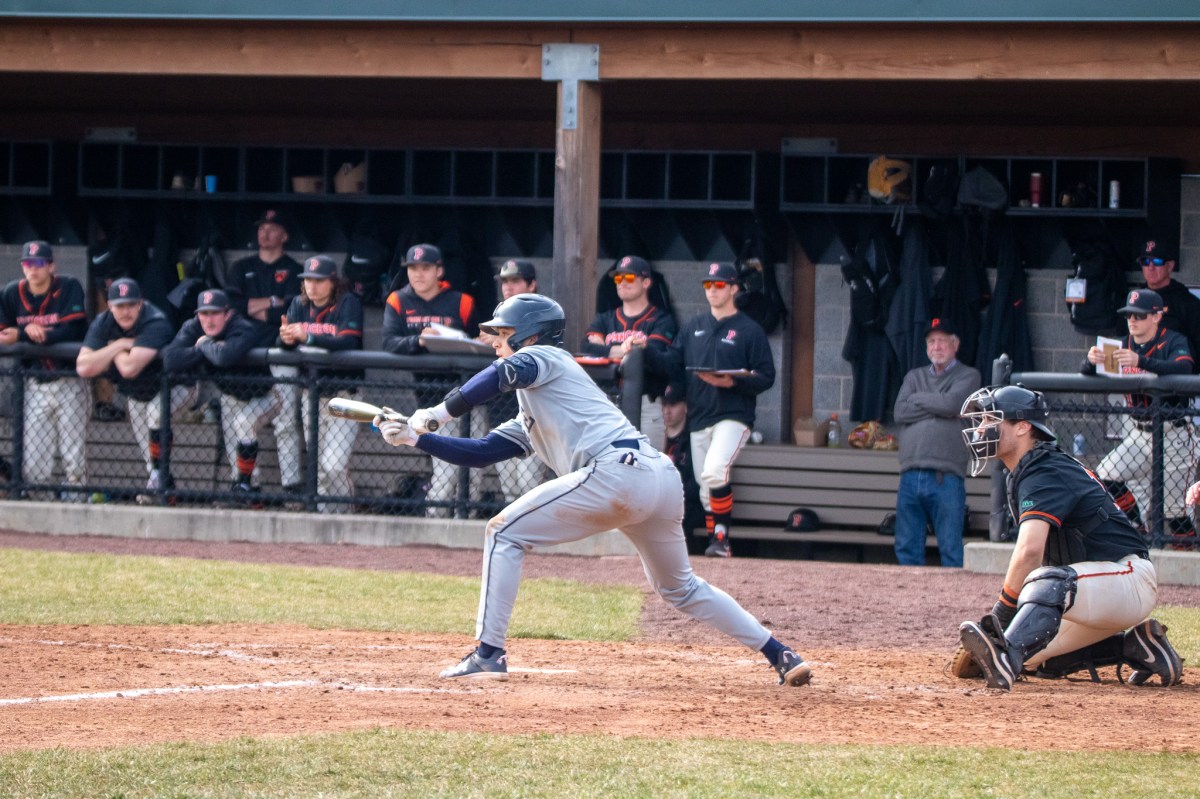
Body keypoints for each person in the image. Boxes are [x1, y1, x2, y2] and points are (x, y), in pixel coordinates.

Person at [374, 292, 811, 687]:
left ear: (527, 333)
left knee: (504, 532)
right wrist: (416, 439)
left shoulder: (546, 357)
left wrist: (435, 414)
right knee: (682, 588)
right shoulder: (538, 404)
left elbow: (503, 372)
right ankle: (780, 653)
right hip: (656, 479)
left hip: (617, 474)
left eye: (502, 332)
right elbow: (483, 451)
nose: (494, 340)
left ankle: (488, 655)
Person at [956, 384, 1183, 691]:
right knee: (1035, 657)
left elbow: (1029, 552)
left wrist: (1001, 617)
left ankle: (1004, 658)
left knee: (1044, 584)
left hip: (1127, 577)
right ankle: (1137, 647)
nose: (982, 429)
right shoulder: (1028, 470)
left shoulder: (1044, 469)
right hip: (1089, 590)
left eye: (991, 420)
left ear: (1023, 426)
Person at [672, 262, 775, 558]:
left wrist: (732, 381)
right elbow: (674, 363)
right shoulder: (693, 326)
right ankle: (716, 544)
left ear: (733, 288)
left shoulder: (749, 329)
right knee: (706, 483)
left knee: (716, 471)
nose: (712, 291)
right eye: (708, 285)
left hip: (734, 415)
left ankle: (721, 538)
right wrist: (642, 350)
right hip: (699, 416)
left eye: (719, 285)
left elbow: (766, 376)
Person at [380, 243, 481, 518]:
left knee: (469, 463)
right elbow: (388, 342)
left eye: (425, 268)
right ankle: (438, 517)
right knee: (445, 462)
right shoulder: (397, 300)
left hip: (464, 392)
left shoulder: (462, 301)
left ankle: (463, 517)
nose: (418, 274)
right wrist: (420, 340)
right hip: (426, 395)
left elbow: (480, 344)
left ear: (439, 270)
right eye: (413, 268)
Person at [1081, 288, 1194, 535]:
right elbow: (1086, 371)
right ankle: (1136, 527)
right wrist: (1090, 360)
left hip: (1174, 433)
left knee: (1174, 514)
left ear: (1156, 316)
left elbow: (1185, 369)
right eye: (1129, 315)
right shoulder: (1121, 344)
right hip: (1139, 433)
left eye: (1139, 315)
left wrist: (1140, 362)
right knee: (1104, 477)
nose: (1132, 320)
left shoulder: (1173, 340)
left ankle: (1186, 556)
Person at [76, 277, 187, 503]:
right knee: (149, 451)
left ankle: (159, 481)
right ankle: (164, 488)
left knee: (157, 416)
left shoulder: (155, 321)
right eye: (120, 306)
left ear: (140, 304)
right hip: (137, 393)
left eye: (130, 305)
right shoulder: (103, 322)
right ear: (110, 306)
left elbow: (129, 368)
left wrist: (107, 350)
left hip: (177, 386)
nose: (125, 311)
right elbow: (83, 366)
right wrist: (120, 345)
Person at [162, 289, 279, 501]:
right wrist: (205, 349)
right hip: (230, 397)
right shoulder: (193, 326)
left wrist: (204, 344)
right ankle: (249, 492)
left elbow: (224, 357)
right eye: (204, 313)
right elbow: (170, 359)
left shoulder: (242, 326)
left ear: (227, 313)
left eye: (215, 313)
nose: (209, 319)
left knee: (244, 424)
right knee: (236, 453)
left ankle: (245, 486)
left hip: (265, 395)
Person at [223, 209, 305, 494]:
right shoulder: (241, 267)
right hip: (244, 356)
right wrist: (272, 302)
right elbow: (232, 309)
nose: (264, 233)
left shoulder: (295, 270)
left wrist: (256, 307)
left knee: (285, 422)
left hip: (279, 353)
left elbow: (291, 312)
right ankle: (245, 483)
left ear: (284, 235)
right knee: (236, 421)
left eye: (272, 228)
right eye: (262, 228)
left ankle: (292, 486)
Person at [0, 241, 90, 499]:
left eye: (39, 263)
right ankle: (44, 513)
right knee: (34, 465)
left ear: (51, 266)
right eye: (28, 263)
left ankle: (77, 507)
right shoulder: (10, 293)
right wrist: (21, 333)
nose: (33, 269)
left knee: (74, 456)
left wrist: (28, 335)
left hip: (70, 381)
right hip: (35, 383)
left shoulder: (68, 286)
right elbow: (4, 332)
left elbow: (72, 330)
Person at [891, 318, 981, 567]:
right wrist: (939, 405)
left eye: (942, 341)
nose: (936, 346)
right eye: (931, 341)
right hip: (910, 474)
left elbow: (953, 404)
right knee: (907, 547)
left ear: (955, 344)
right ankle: (906, 598)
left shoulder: (969, 375)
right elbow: (899, 412)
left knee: (951, 548)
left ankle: (953, 603)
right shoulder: (914, 376)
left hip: (947, 476)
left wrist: (919, 401)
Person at [278, 255, 364, 512]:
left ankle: (344, 509)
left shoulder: (348, 302)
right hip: (311, 395)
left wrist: (309, 338)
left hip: (344, 394)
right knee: (318, 464)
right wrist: (286, 339)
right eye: (307, 281)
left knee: (334, 464)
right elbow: (285, 344)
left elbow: (347, 341)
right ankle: (328, 516)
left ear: (333, 282)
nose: (312, 286)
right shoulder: (297, 304)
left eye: (319, 281)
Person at [581, 255, 677, 451]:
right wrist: (624, 349)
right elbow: (587, 347)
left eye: (629, 278)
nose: (622, 283)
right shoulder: (605, 318)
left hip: (646, 404)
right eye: (618, 278)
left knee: (649, 469)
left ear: (646, 282)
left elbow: (651, 356)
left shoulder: (661, 320)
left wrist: (609, 351)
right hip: (607, 403)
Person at [488, 259, 545, 504]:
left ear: (531, 284)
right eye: (504, 282)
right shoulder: (497, 315)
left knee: (528, 483)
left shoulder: (544, 314)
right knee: (509, 484)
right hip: (501, 407)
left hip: (534, 413)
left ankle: (538, 536)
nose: (508, 287)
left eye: (515, 281)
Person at [1135, 236, 1200, 371]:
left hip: (1175, 380)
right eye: (1145, 261)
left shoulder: (1187, 302)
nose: (1150, 267)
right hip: (1138, 378)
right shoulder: (1134, 299)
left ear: (1169, 266)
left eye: (1157, 261)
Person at [661, 380, 706, 554]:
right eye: (664, 405)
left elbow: (697, 486)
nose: (667, 411)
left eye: (673, 405)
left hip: (688, 506)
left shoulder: (694, 440)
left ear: (686, 407)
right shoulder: (657, 437)